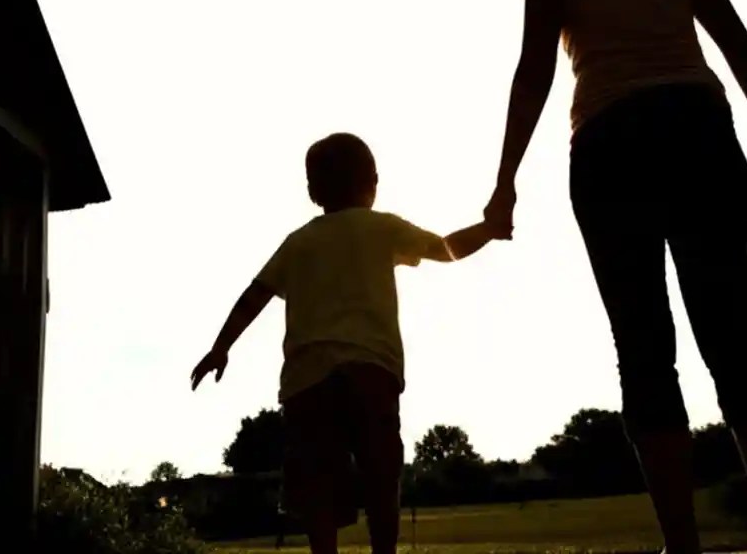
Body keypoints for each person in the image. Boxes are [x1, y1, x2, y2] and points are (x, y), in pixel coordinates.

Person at [482, 0, 747, 554]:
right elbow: (736, 42)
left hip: (611, 146)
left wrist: (505, 181)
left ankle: (681, 543)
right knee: (732, 334)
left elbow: (533, 74)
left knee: (643, 347)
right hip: (702, 134)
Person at [191, 132, 509, 554]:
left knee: (316, 488)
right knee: (381, 475)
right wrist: (488, 229)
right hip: (370, 371)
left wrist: (221, 346)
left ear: (311, 191)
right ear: (374, 181)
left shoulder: (298, 242)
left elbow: (255, 295)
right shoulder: (383, 227)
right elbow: (446, 248)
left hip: (307, 381)